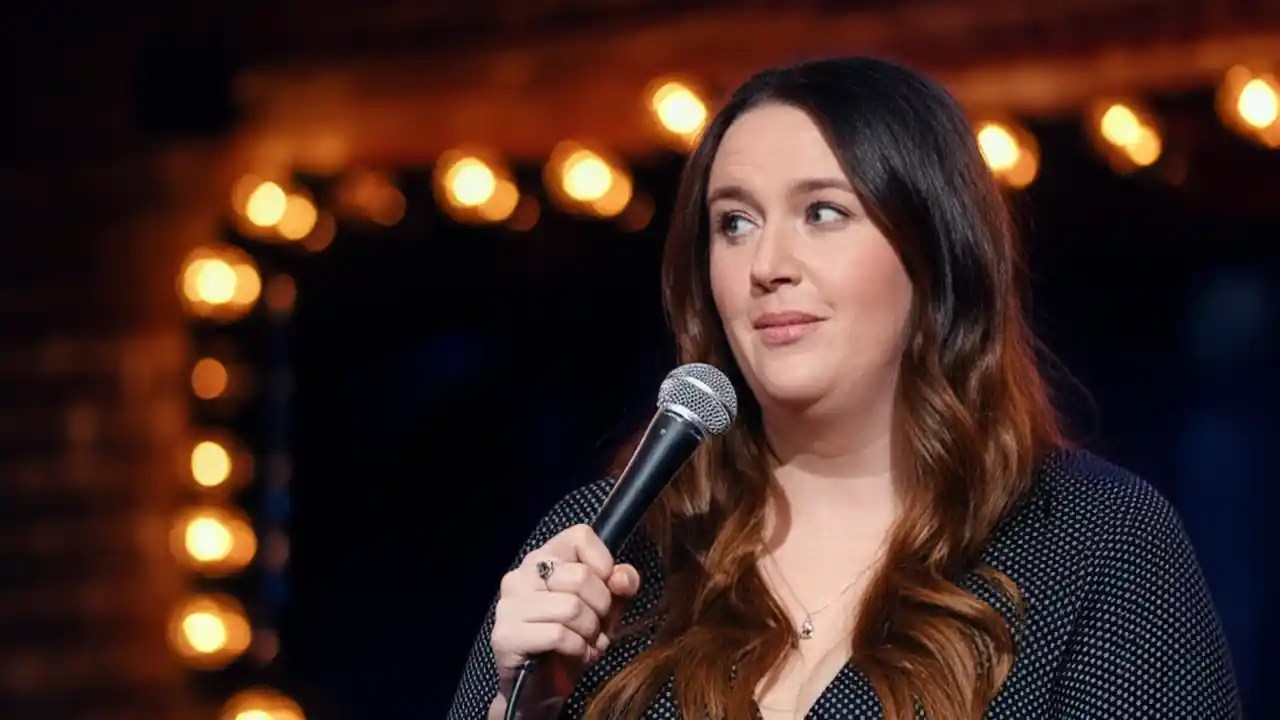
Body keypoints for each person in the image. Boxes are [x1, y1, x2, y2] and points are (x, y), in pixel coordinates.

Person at [446, 56, 1241, 719]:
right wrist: (521, 705)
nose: (767, 266)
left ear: (934, 255)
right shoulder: (611, 546)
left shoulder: (1093, 542)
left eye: (823, 213)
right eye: (734, 223)